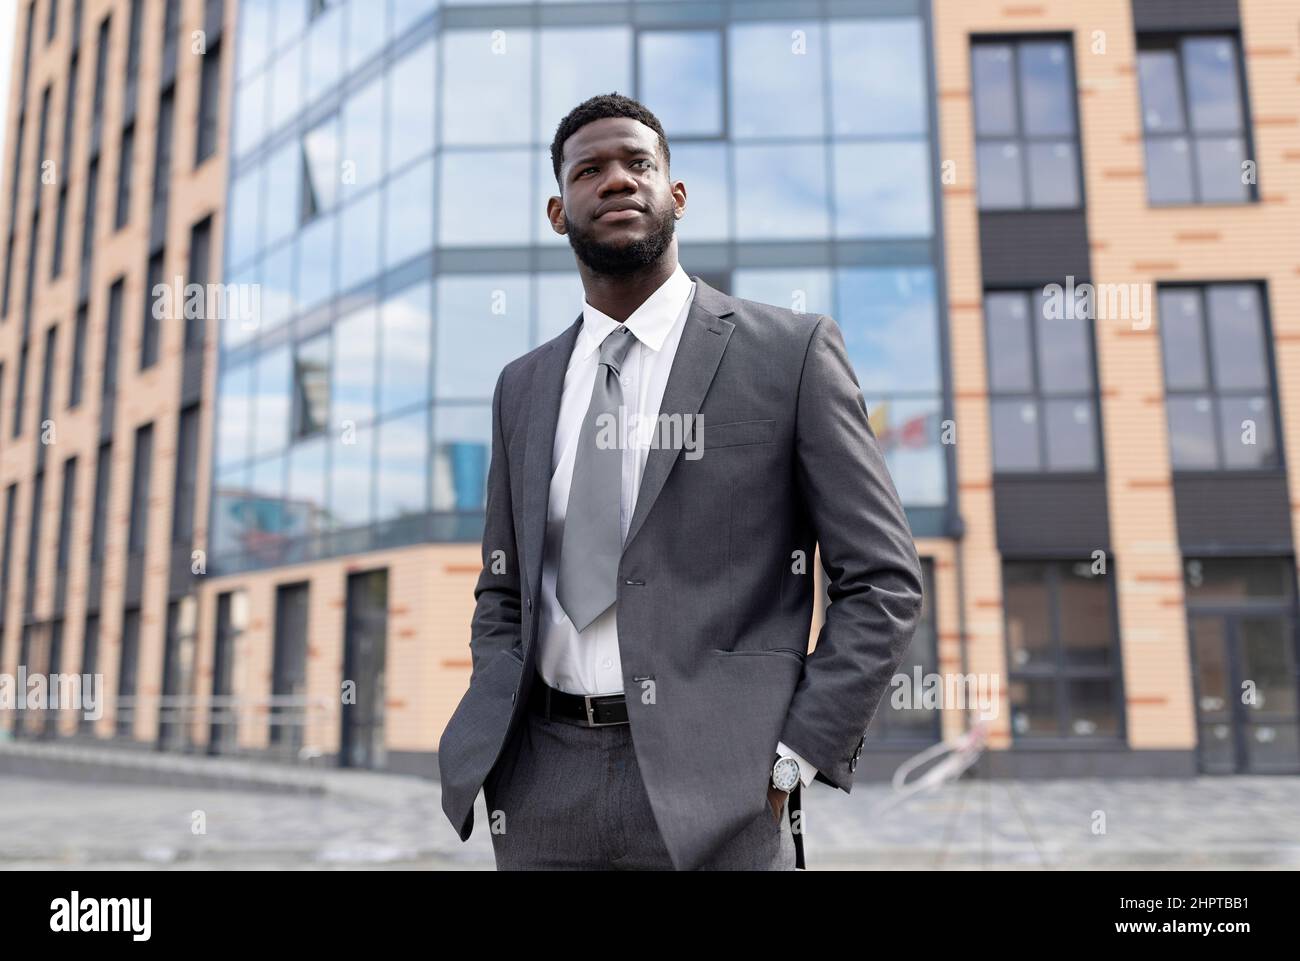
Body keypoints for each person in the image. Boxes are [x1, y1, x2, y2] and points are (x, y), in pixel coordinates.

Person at [437, 93, 924, 870]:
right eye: (591, 170)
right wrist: (503, 747)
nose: (618, 181)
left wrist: (795, 755)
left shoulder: (790, 354)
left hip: (719, 793)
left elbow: (884, 581)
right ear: (559, 212)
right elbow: (502, 588)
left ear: (677, 195)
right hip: (540, 789)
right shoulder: (522, 387)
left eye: (639, 163)